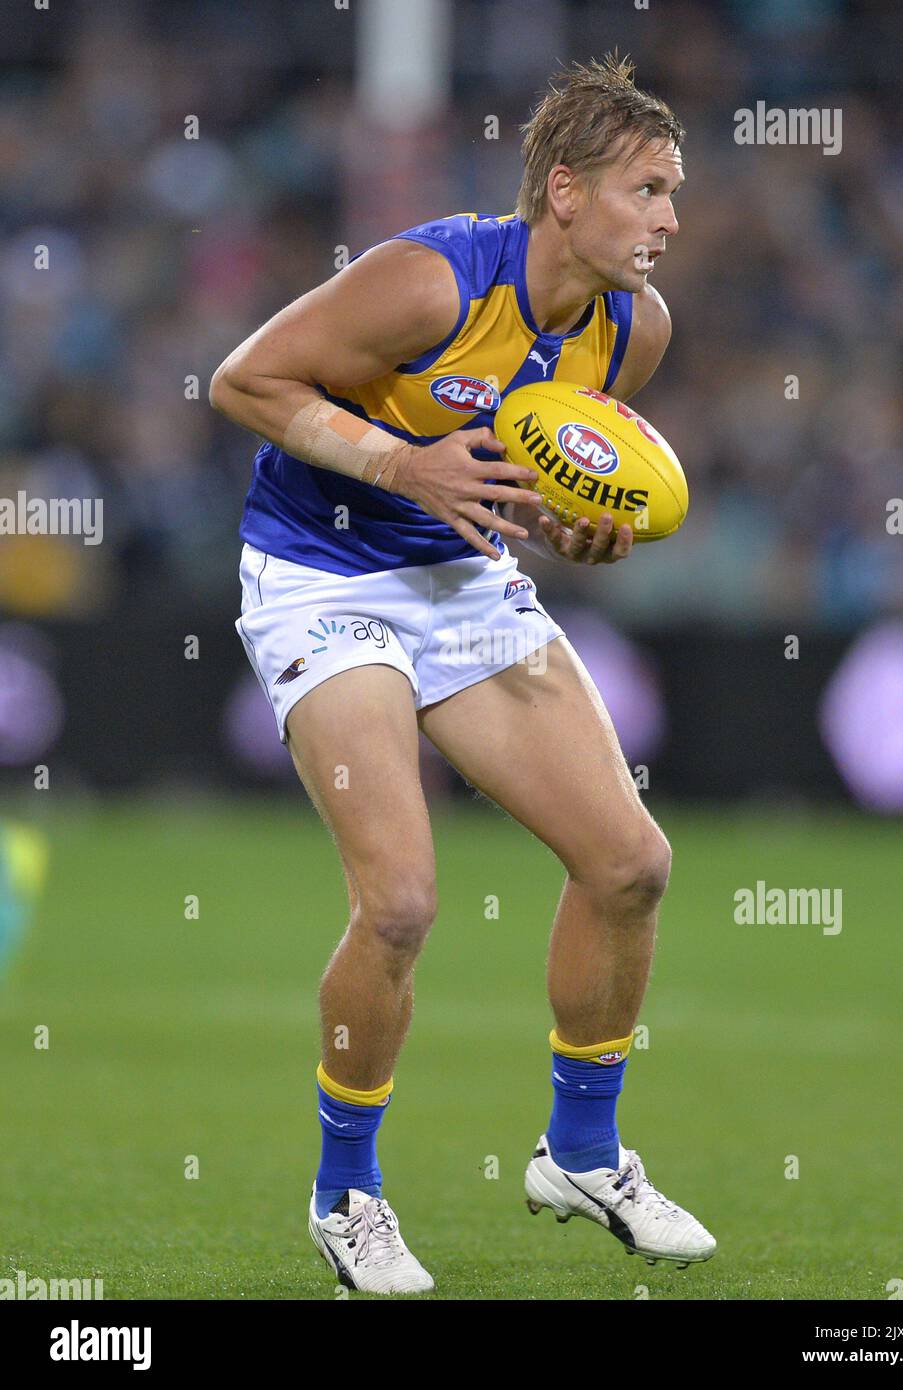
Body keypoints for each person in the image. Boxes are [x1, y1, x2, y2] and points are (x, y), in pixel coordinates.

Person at [210, 53, 714, 1295]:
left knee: (630, 862)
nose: (668, 217)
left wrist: (579, 524)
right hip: (323, 580)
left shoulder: (632, 330)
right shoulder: (428, 279)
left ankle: (581, 1155)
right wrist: (403, 463)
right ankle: (346, 1194)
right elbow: (245, 381)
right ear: (563, 193)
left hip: (460, 581)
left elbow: (542, 472)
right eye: (647, 189)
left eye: (673, 191)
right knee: (401, 904)